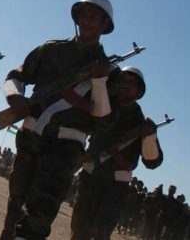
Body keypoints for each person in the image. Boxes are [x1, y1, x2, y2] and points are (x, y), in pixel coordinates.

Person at [0, 0, 116, 240]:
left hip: (65, 148)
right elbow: (16, 77)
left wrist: (98, 81)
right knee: (15, 203)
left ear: (105, 24)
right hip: (31, 136)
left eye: (94, 17)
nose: (87, 21)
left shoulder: (110, 71)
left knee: (40, 214)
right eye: (84, 15)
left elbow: (103, 117)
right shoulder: (51, 50)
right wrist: (15, 97)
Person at [70, 66, 163, 240]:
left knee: (101, 233)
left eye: (131, 82)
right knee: (79, 229)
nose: (125, 84)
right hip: (90, 177)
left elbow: (152, 161)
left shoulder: (140, 122)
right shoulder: (102, 105)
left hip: (114, 186)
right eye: (123, 80)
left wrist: (149, 137)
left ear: (139, 90)